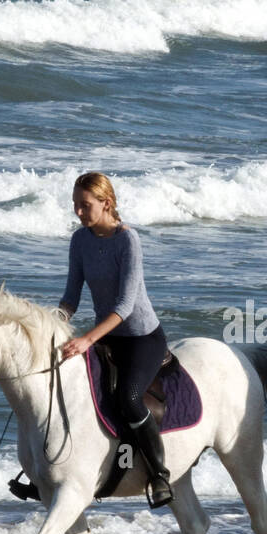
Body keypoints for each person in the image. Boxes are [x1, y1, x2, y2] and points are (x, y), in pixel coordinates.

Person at [58, 172, 173, 507]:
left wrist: (87, 340)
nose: (78, 212)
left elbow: (124, 306)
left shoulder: (128, 240)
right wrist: (53, 321)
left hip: (141, 338)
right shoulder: (80, 241)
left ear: (106, 203)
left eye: (85, 205)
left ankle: (159, 475)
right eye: (75, 205)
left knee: (130, 397)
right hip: (108, 337)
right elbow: (70, 297)